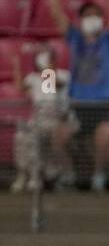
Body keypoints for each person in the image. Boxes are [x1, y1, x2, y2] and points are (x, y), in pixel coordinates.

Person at [49, 0, 109, 192]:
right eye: (86, 15)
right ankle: (69, 174)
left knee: (104, 137)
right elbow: (57, 14)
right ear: (80, 21)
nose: (91, 18)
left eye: (95, 15)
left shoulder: (108, 40)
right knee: (58, 138)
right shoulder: (75, 39)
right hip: (78, 105)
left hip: (105, 104)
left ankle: (99, 176)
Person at [9, 42, 74, 192]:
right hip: (37, 119)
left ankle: (53, 176)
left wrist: (48, 65)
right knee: (21, 137)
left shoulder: (64, 75)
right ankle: (25, 175)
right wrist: (17, 65)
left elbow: (51, 86)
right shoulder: (32, 77)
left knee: (50, 139)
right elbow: (19, 87)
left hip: (57, 120)